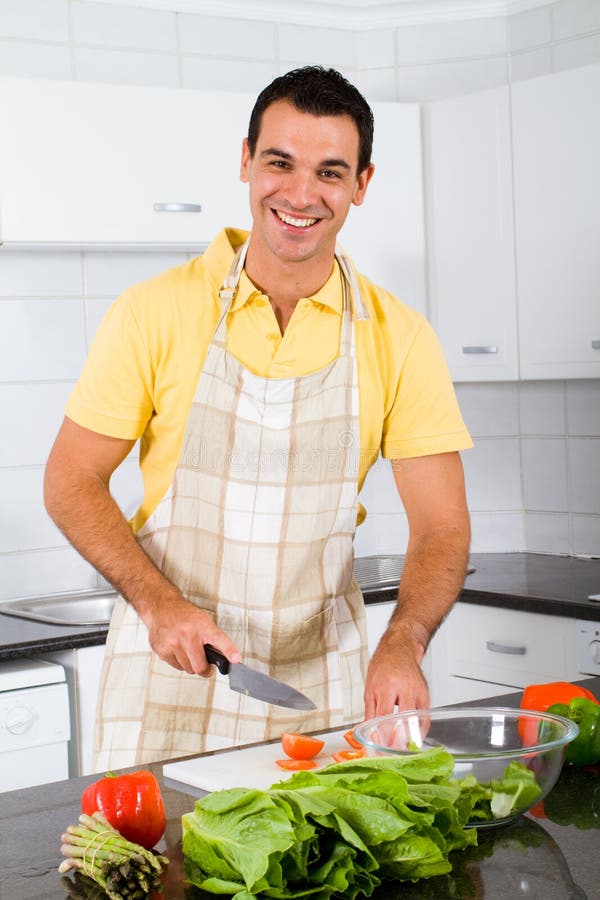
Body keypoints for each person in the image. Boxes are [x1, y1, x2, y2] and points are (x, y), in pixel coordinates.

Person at [44, 66, 472, 770]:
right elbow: (70, 480)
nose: (301, 195)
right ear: (246, 161)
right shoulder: (154, 312)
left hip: (318, 688)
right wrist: (158, 605)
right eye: (280, 162)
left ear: (361, 185)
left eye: (330, 172)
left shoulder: (401, 337)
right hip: (167, 676)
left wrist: (404, 642)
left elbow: (443, 526)